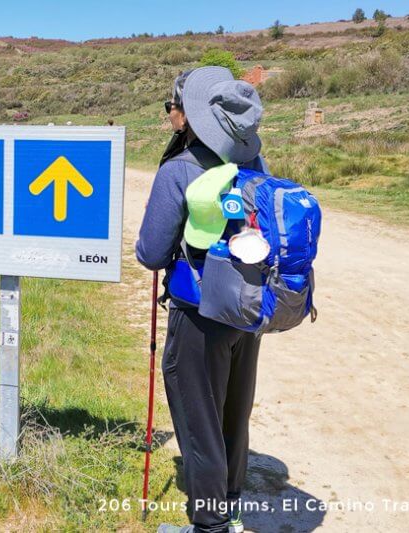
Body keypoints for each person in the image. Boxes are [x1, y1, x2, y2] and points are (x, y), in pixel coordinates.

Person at [135, 66, 268, 533]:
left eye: (172, 107)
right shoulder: (255, 165)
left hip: (198, 315)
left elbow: (151, 253)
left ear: (188, 116)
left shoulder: (180, 170)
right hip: (247, 309)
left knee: (199, 420)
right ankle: (230, 505)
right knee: (233, 410)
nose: (170, 114)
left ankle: (210, 525)